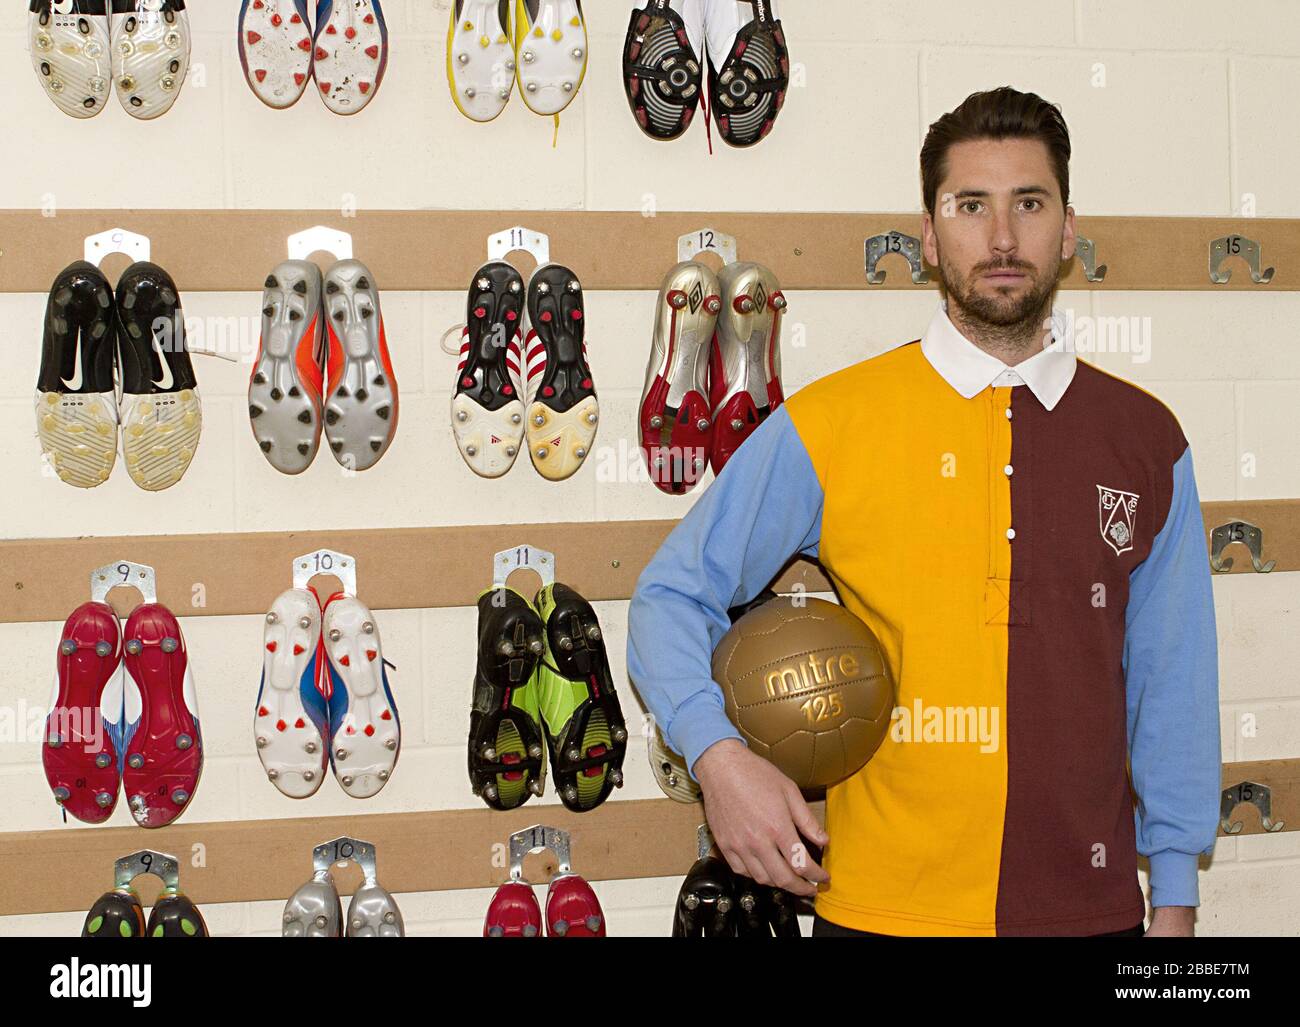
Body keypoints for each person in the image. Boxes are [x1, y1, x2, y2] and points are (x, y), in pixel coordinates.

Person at [627, 86, 1220, 937]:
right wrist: (719, 758)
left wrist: (1175, 899)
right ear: (931, 237)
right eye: (972, 205)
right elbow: (667, 596)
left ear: (1069, 227)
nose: (1004, 237)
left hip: (1092, 916)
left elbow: (1175, 685)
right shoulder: (835, 422)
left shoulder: (1145, 438)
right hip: (877, 913)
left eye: (1030, 203)